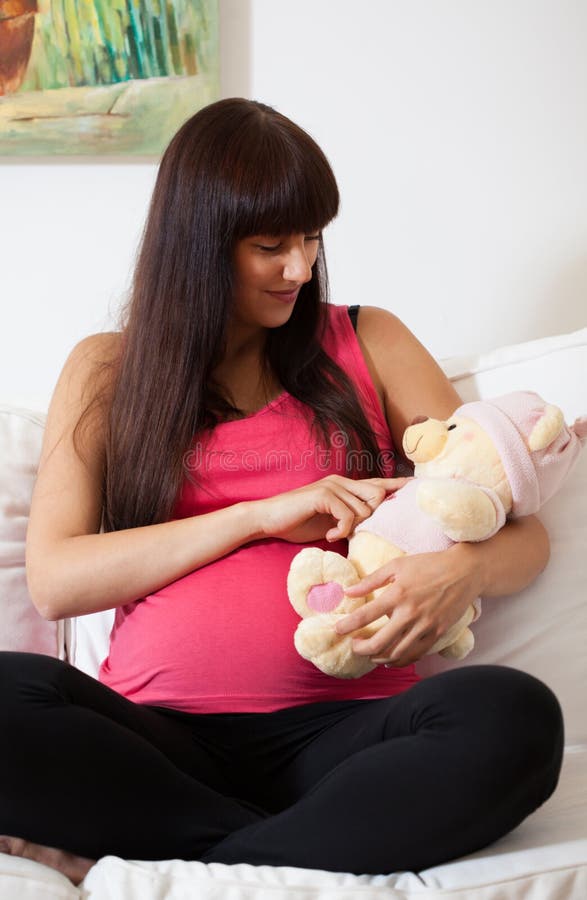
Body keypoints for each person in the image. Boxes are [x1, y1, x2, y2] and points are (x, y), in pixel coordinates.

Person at [0, 98, 563, 885]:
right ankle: (290, 851)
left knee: (512, 715)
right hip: (157, 746)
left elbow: (519, 527)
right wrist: (257, 517)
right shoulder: (107, 369)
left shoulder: (370, 339)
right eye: (271, 245)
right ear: (197, 245)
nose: (299, 267)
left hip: (346, 740)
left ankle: (191, 867)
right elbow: (59, 581)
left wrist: (461, 572)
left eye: (310, 240)